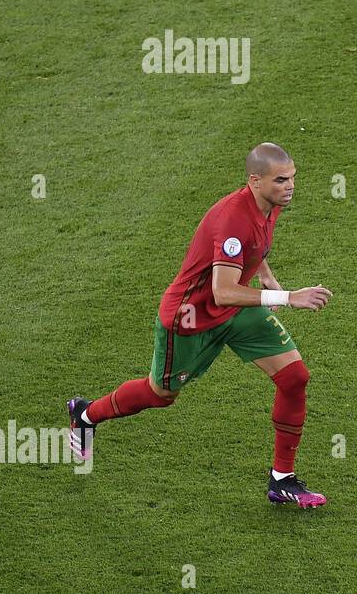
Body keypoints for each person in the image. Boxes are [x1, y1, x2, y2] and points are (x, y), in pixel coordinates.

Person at [67, 142, 333, 508]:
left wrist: (266, 276)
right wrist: (288, 296)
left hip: (238, 311)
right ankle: (85, 414)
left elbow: (257, 246)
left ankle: (281, 479)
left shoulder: (270, 203)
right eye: (281, 180)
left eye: (293, 178)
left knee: (294, 378)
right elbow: (223, 291)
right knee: (160, 395)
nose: (290, 187)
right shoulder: (233, 220)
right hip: (191, 318)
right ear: (255, 181)